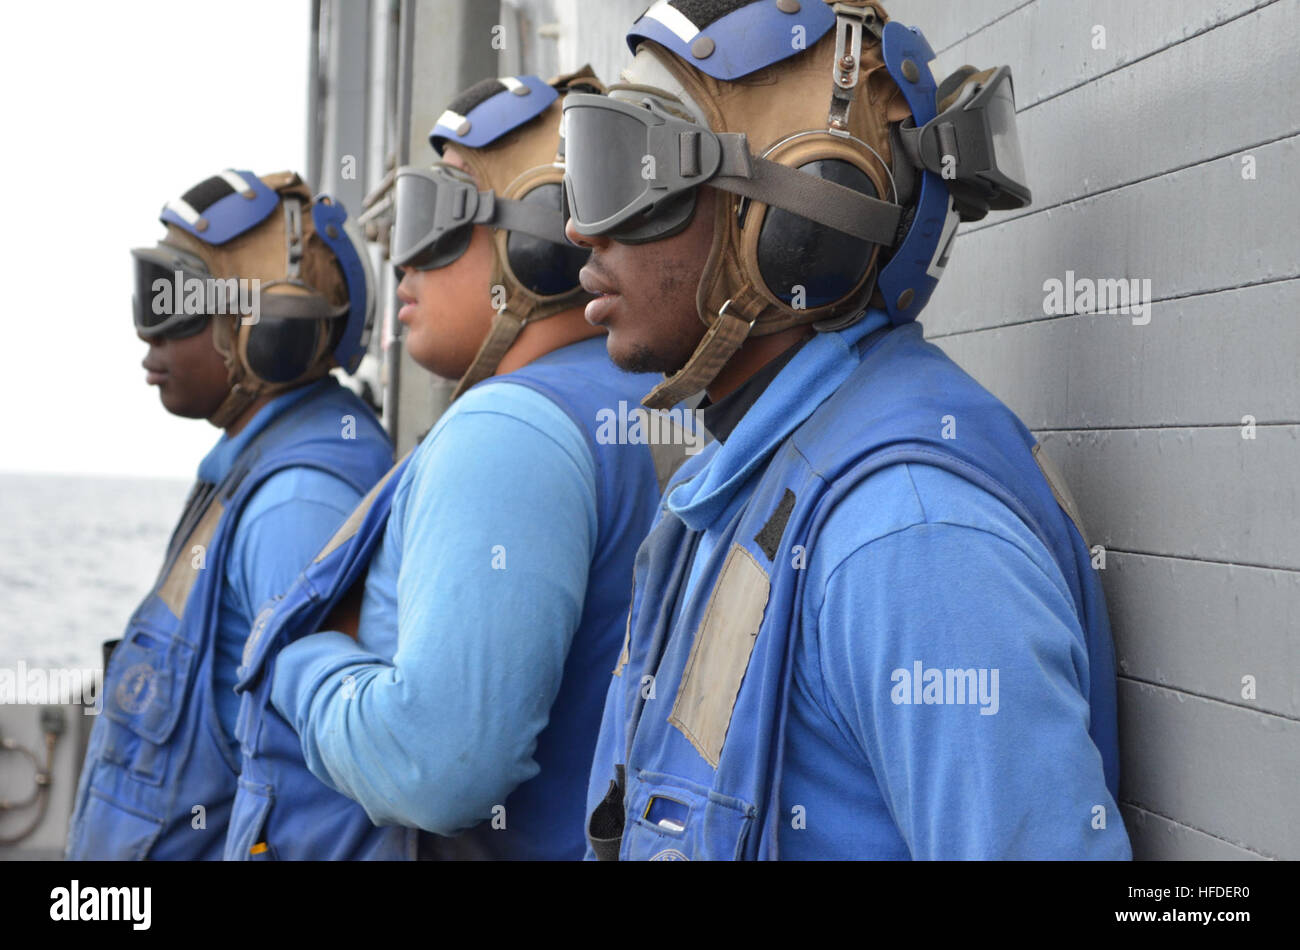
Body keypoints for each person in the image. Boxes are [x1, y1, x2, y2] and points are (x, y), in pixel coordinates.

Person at [565, 0, 1131, 859]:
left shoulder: (908, 536)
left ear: (804, 221)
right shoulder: (741, 482)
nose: (582, 226)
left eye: (638, 173)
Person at [224, 70, 673, 860]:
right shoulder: (659, 400)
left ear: (539, 239)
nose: (402, 267)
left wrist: (302, 659)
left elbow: (436, 768)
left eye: (433, 220)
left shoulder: (506, 429)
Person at [66, 169, 393, 860]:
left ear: (271, 330)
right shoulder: (251, 470)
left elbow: (320, 803)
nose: (146, 339)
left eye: (174, 305)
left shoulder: (297, 502)